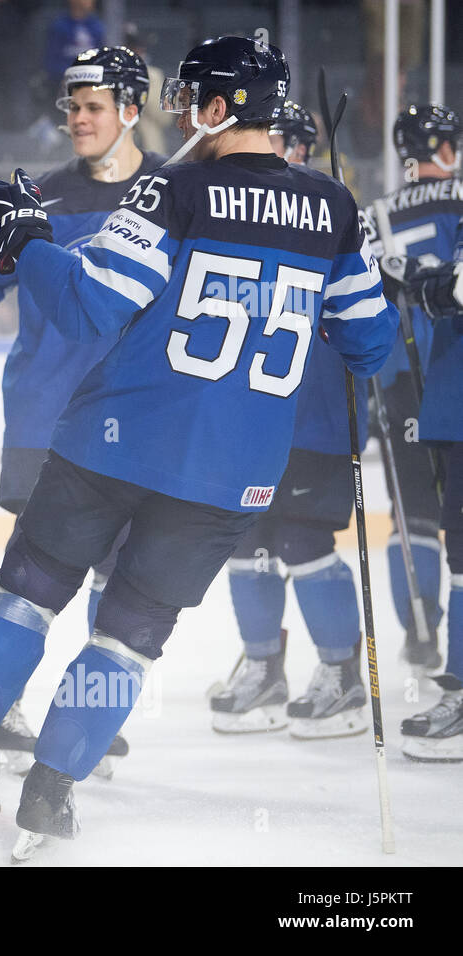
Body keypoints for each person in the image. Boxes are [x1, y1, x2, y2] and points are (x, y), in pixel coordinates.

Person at [0, 35, 397, 858]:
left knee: (28, 591)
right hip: (229, 481)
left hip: (114, 445)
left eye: (192, 101)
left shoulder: (172, 189)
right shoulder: (333, 209)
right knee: (129, 635)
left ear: (217, 109)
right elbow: (373, 350)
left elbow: (89, 308)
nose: (184, 116)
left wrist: (27, 241)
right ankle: (50, 797)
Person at [0, 45, 165, 774]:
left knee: (120, 580)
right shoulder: (42, 198)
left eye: (94, 106)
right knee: (28, 582)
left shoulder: (178, 194)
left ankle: (88, 719)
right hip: (46, 419)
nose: (78, 119)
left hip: (141, 420)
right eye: (72, 106)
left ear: (131, 108)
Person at [210, 102, 372, 739]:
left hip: (313, 418)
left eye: (283, 142)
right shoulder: (236, 216)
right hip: (247, 420)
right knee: (246, 546)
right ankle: (262, 667)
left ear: (303, 148)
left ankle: (341, 677)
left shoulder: (334, 218)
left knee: (303, 544)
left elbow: (366, 321)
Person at [362, 104, 463, 678]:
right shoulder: (461, 200)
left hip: (402, 380)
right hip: (454, 371)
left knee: (414, 516)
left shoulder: (376, 214)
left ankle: (419, 631)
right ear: (444, 149)